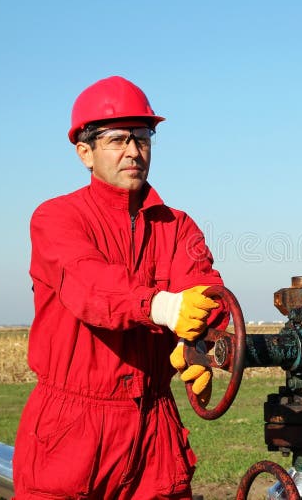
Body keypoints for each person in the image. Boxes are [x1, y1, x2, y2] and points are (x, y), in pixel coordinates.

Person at [13, 75, 225, 499]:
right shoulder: (56, 218)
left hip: (154, 428)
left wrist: (200, 343)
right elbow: (90, 285)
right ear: (84, 153)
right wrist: (165, 309)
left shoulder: (177, 226)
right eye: (117, 139)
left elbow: (205, 293)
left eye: (143, 137)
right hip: (71, 430)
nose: (134, 150)